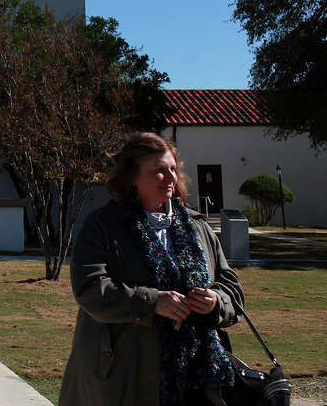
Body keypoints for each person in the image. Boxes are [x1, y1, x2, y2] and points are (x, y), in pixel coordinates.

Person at [59, 133, 244, 406]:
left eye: (172, 169)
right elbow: (90, 289)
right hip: (124, 376)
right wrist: (153, 302)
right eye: (158, 171)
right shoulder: (103, 226)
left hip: (197, 377)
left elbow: (232, 289)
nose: (170, 178)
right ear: (133, 178)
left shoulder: (197, 227)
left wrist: (215, 301)